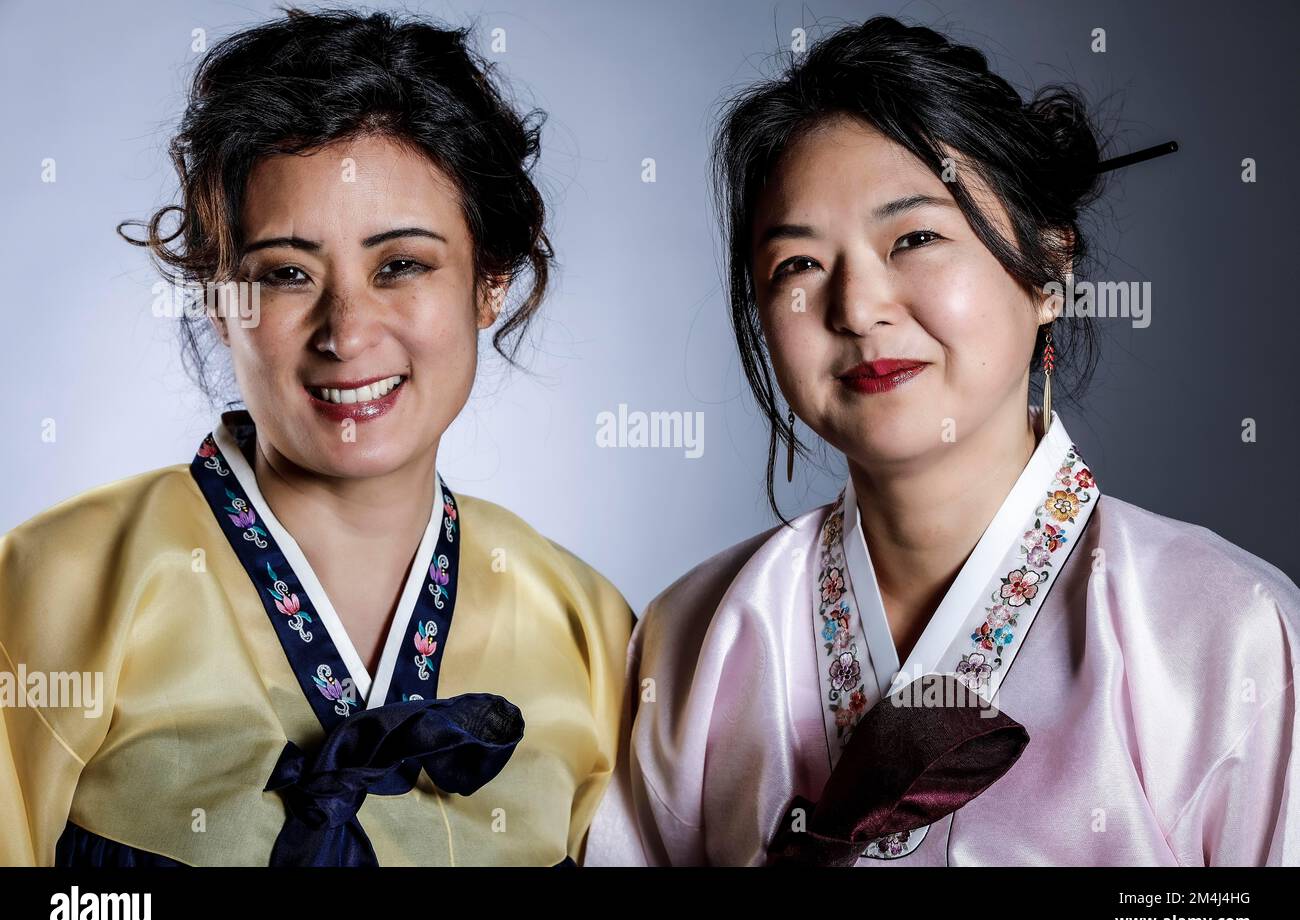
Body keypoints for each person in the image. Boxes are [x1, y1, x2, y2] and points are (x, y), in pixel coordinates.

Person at [585, 16, 1299, 866]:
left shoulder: (1225, 632)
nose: (857, 306)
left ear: (1046, 270)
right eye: (798, 266)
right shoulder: (699, 633)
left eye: (914, 239)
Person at [0, 8, 632, 867]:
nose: (347, 331)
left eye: (401, 265)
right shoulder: (55, 584)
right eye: (287, 274)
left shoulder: (588, 630)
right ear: (224, 303)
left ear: (490, 284)